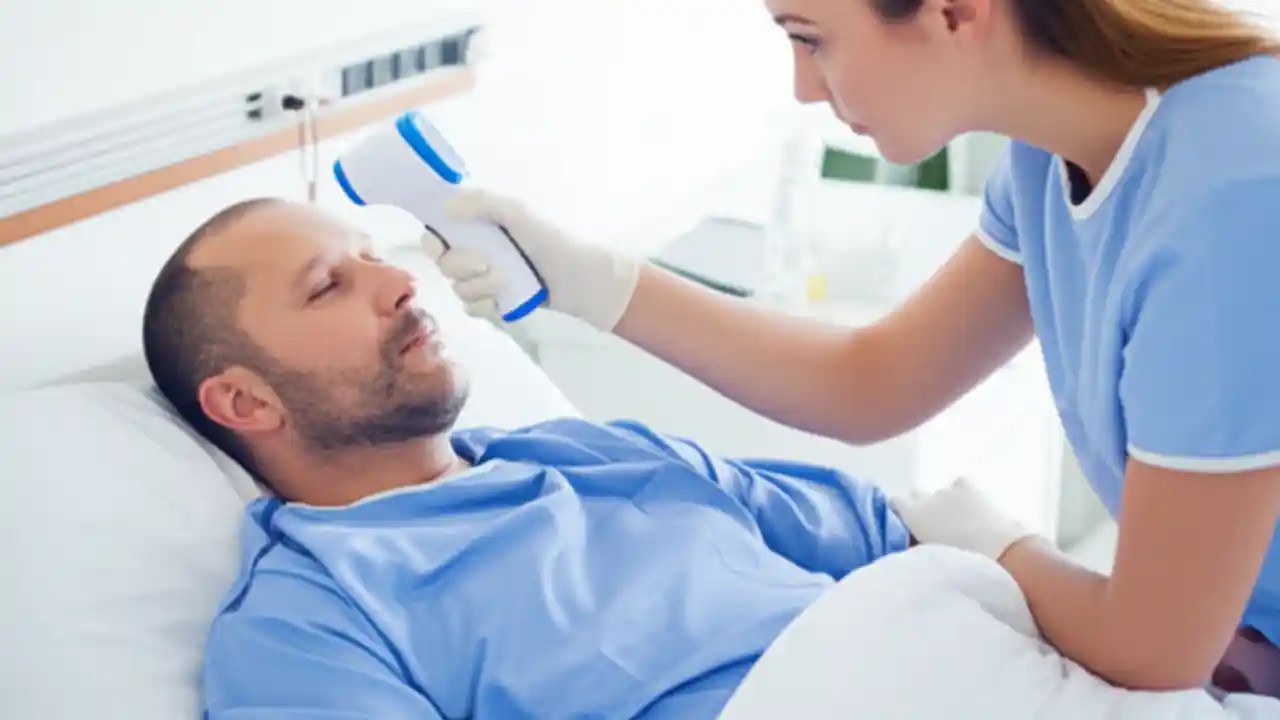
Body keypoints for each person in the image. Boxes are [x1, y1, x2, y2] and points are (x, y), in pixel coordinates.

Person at [426, 0, 1280, 696]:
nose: (802, 87)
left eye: (810, 38)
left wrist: (1000, 549)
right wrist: (596, 284)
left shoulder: (1231, 193)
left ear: (955, 11)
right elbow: (874, 382)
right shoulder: (1052, 159)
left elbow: (1152, 647)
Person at [140, 198, 910, 718]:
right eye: (327, 286)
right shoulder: (306, 621)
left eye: (376, 256)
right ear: (245, 404)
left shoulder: (595, 453)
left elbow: (901, 534)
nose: (403, 282)